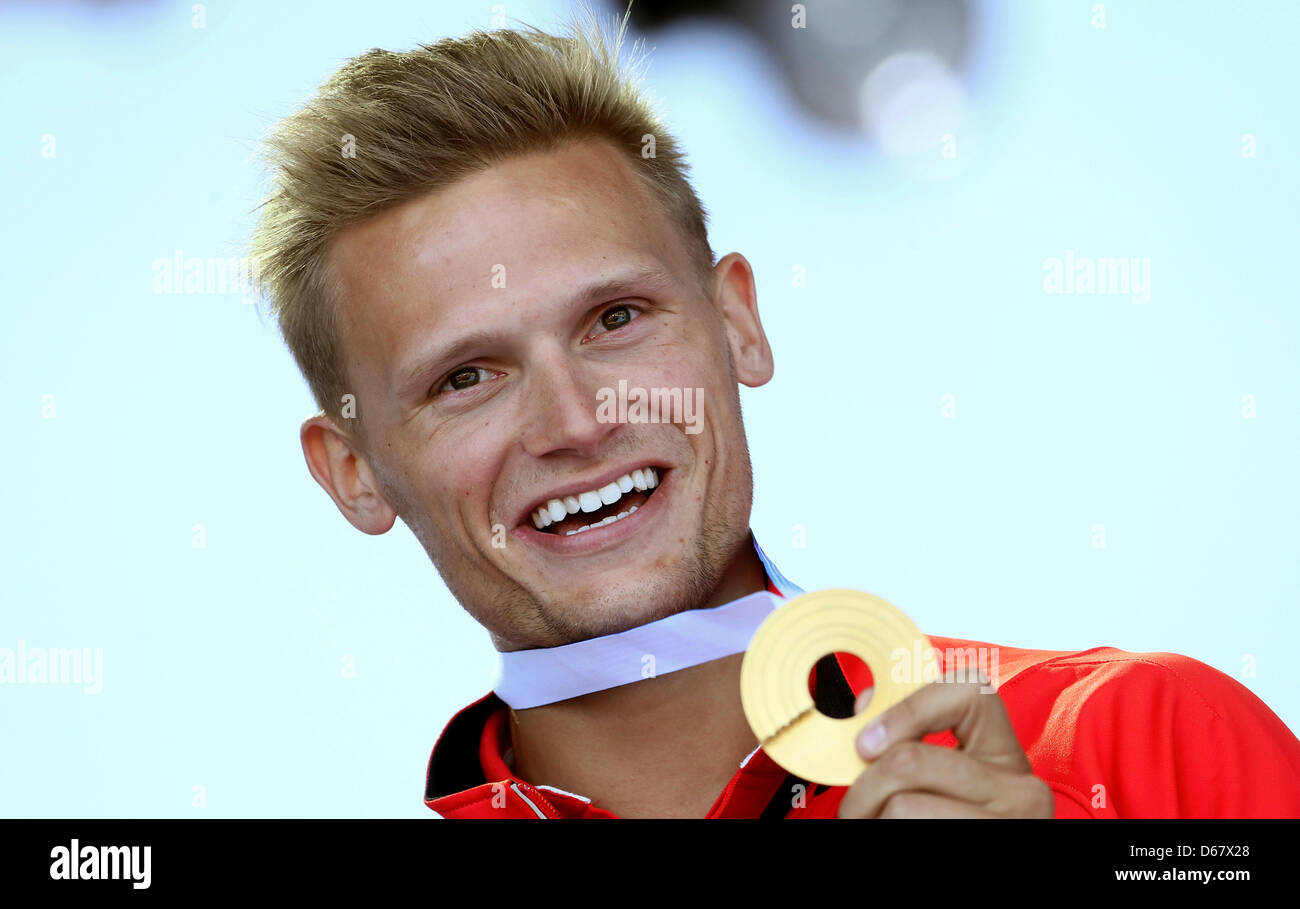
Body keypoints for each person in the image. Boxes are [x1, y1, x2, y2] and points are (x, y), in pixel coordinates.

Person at [249, 14, 1300, 818]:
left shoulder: (1150, 751)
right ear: (353, 473)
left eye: (615, 319)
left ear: (737, 323)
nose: (575, 421)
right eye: (465, 378)